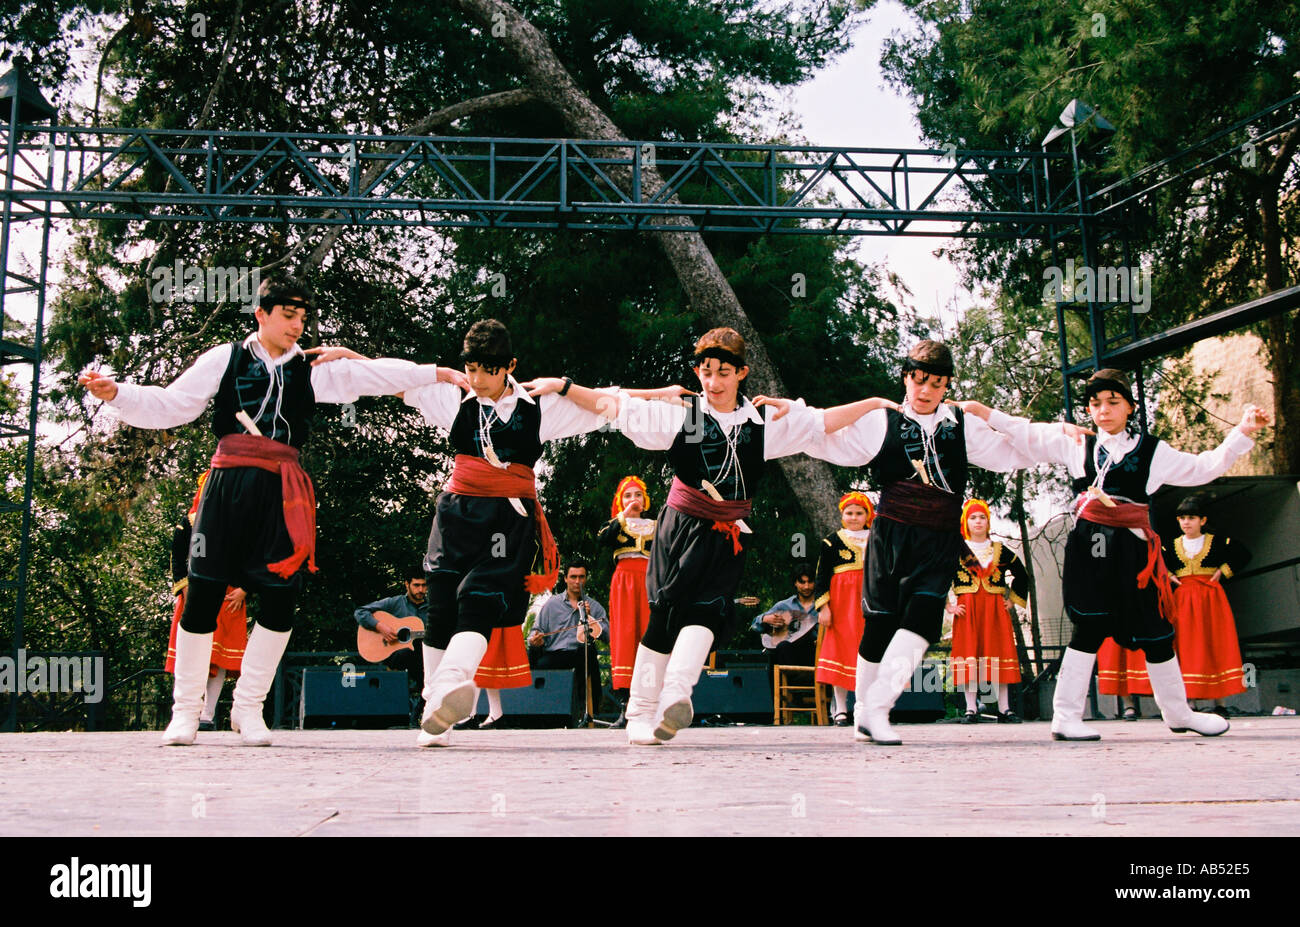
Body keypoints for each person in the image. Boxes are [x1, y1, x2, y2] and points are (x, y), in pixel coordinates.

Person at [80, 276, 465, 746]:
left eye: (303, 317)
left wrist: (435, 372)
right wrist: (119, 393)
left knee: (281, 599)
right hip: (227, 484)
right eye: (288, 315)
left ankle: (248, 708)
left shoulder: (310, 369)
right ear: (260, 314)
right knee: (202, 595)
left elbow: (373, 375)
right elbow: (174, 404)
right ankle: (185, 712)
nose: (297, 325)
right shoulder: (225, 358)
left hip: (283, 491)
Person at [528, 327, 895, 746]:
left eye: (723, 372)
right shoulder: (679, 414)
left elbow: (824, 422)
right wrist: (566, 386)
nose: (714, 382)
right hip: (681, 527)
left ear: (742, 373)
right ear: (697, 371)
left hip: (728, 534)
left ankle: (676, 697)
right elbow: (612, 406)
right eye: (706, 372)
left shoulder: (764, 422)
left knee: (709, 612)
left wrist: (874, 403)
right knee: (665, 619)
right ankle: (640, 713)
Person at [963, 367, 1268, 740]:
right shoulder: (1077, 444)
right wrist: (982, 411)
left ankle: (1178, 713)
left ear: (1130, 407)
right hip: (1092, 543)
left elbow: (1203, 467)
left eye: (1112, 402)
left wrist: (1241, 434)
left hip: (1134, 546)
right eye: (1095, 404)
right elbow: (1025, 433)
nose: (1103, 410)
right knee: (1089, 626)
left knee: (1156, 630)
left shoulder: (1152, 451)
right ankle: (1065, 716)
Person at [401, 320, 621, 747]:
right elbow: (394, 382)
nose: (477, 380)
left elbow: (611, 405)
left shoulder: (540, 408)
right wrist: (349, 359)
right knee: (442, 608)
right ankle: (437, 710)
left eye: (487, 370)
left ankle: (450, 686)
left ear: (510, 366)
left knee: (478, 602)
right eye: (470, 369)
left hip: (508, 517)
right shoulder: (454, 396)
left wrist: (658, 396)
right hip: (454, 514)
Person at [804, 340, 1034, 745]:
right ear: (906, 377)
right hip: (892, 533)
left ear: (947, 385)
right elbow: (827, 440)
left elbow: (1010, 454)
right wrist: (785, 423)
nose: (925, 390)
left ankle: (876, 710)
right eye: (918, 380)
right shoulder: (883, 422)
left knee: (925, 622)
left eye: (936, 383)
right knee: (880, 623)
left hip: (939, 536)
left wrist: (1049, 439)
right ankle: (862, 712)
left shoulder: (961, 425)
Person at [165, 472, 246, 731]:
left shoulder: (238, 519)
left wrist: (246, 588)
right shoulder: (189, 521)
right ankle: (187, 710)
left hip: (230, 593)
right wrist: (183, 587)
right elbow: (177, 555)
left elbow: (252, 555)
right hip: (196, 589)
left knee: (221, 656)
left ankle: (207, 714)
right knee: (193, 653)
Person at [1164, 492, 1252, 715]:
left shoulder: (1219, 541)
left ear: (1202, 521)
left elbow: (1244, 553)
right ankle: (1190, 702)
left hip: (1211, 599)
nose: (1186, 522)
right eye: (1182, 518)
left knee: (1215, 643)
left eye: (1191, 518)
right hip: (1183, 600)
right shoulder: (1170, 545)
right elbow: (1154, 562)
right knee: (1186, 645)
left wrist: (1224, 571)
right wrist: (1168, 574)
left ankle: (1220, 704)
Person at [945, 498, 1028, 724]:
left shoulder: (1000, 551)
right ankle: (971, 708)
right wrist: (949, 605)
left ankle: (1004, 708)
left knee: (998, 654)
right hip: (967, 610)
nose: (978, 521)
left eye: (982, 517)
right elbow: (937, 577)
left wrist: (1012, 600)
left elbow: (1022, 574)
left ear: (988, 522)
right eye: (973, 517)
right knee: (969, 655)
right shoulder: (956, 550)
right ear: (965, 522)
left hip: (994, 610)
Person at [597, 475, 656, 727]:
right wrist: (623, 516)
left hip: (650, 581)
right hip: (624, 583)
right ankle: (626, 707)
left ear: (646, 500)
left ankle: (653, 703)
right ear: (620, 501)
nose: (634, 499)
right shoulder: (614, 525)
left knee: (649, 636)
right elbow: (603, 540)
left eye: (638, 495)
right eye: (628, 495)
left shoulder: (657, 524)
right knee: (624, 637)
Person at [813, 493, 873, 725]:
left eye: (859, 513)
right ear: (842, 515)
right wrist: (823, 607)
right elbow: (822, 577)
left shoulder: (877, 538)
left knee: (869, 652)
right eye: (849, 513)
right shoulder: (831, 541)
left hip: (869, 601)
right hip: (841, 605)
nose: (854, 517)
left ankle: (867, 708)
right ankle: (840, 708)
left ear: (867, 515)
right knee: (841, 651)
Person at [528, 562, 609, 721]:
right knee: (537, 659)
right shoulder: (552, 604)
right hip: (555, 655)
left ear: (586, 579)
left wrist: (590, 619)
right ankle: (537, 714)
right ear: (565, 579)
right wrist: (536, 639)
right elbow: (535, 631)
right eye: (573, 577)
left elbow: (607, 636)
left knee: (587, 653)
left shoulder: (594, 606)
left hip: (581, 655)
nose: (577, 581)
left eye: (581, 577)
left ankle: (587, 713)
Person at [354, 565, 429, 695]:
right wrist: (380, 627)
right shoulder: (395, 603)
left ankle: (423, 701)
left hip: (422, 660)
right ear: (407, 584)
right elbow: (360, 612)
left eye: (424, 585)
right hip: (394, 655)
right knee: (408, 651)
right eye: (416, 585)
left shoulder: (432, 608)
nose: (421, 590)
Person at [753, 564, 821, 672]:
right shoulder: (784, 606)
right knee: (782, 647)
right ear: (795, 583)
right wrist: (765, 618)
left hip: (816, 655)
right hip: (789, 656)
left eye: (810, 582)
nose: (806, 587)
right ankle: (784, 686)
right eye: (802, 582)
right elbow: (755, 626)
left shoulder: (823, 605)